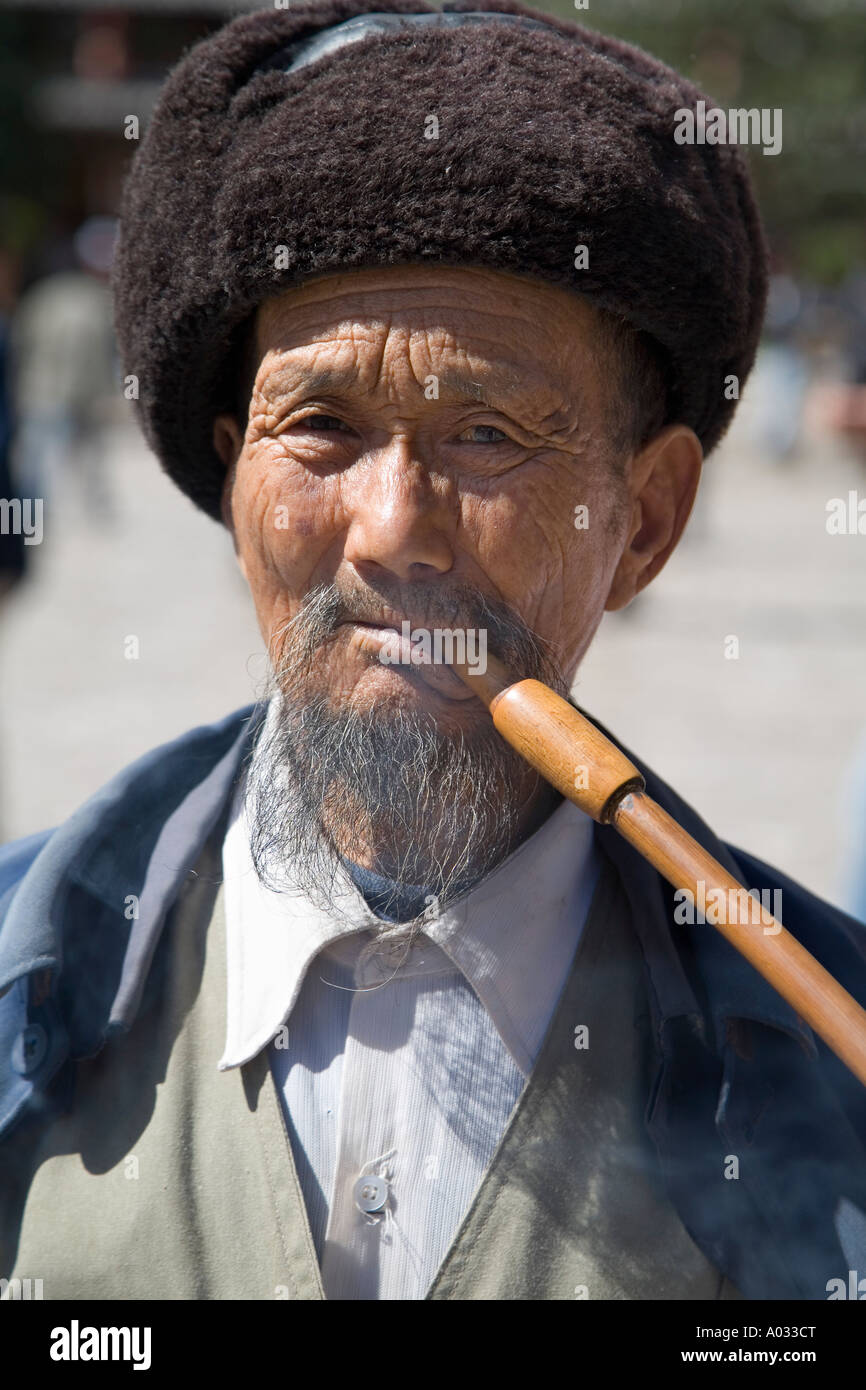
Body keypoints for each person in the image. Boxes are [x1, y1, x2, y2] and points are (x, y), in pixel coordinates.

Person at [1, 1, 865, 1303]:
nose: (394, 532)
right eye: (322, 426)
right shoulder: (22, 975)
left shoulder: (820, 1058)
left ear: (644, 519)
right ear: (236, 482)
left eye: (486, 436)